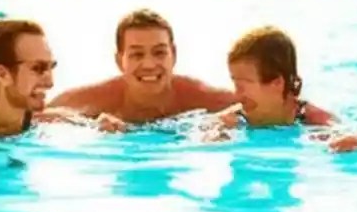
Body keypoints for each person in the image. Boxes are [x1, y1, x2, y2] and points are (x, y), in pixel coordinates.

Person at [48, 8, 239, 129]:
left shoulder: (199, 97)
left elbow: (255, 105)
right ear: (119, 61)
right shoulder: (96, 100)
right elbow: (36, 117)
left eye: (159, 53)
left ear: (174, 55)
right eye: (137, 55)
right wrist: (88, 127)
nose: (149, 65)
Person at [204, 26, 336, 131]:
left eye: (244, 85)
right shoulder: (232, 120)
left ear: (277, 83)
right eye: (235, 83)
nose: (237, 95)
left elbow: (345, 135)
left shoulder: (312, 118)